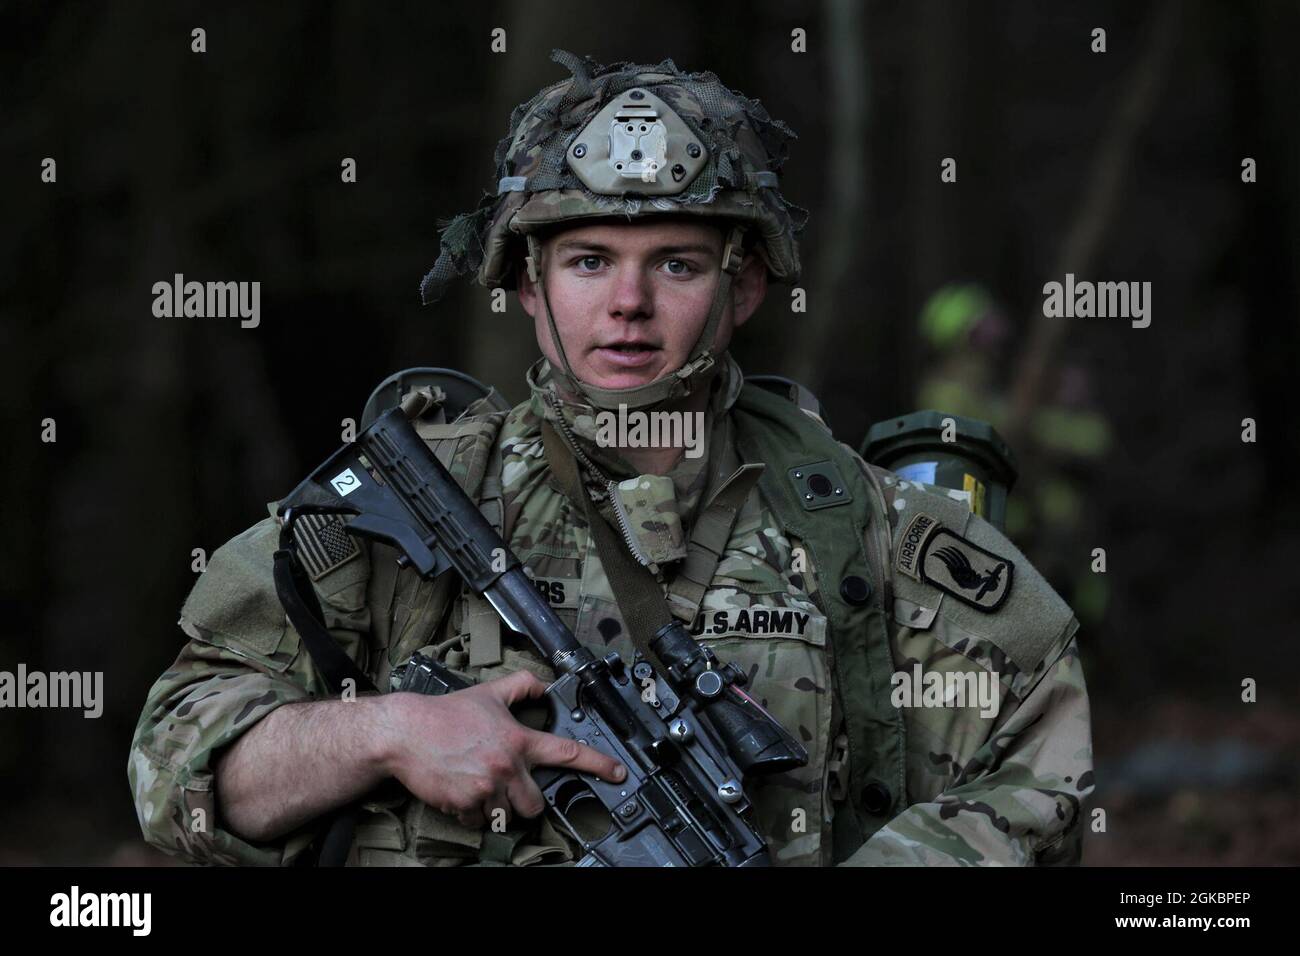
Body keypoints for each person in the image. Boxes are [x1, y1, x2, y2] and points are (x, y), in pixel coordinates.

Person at [129, 50, 1093, 867]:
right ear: (525, 285)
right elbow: (175, 768)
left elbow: (1042, 756)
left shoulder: (862, 527)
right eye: (588, 260)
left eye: (676, 262)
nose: (628, 303)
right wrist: (385, 731)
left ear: (744, 285)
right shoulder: (408, 506)